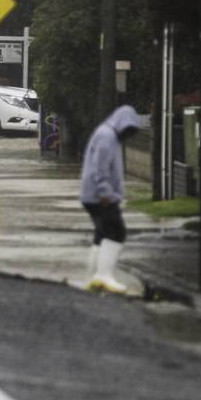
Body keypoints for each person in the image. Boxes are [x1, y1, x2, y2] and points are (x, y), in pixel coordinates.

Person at [80, 104, 142, 293]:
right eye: (128, 130)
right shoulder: (108, 136)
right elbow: (100, 169)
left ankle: (93, 277)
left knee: (101, 234)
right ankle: (103, 277)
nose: (128, 136)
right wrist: (106, 193)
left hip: (93, 194)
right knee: (116, 232)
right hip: (101, 196)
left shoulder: (106, 133)